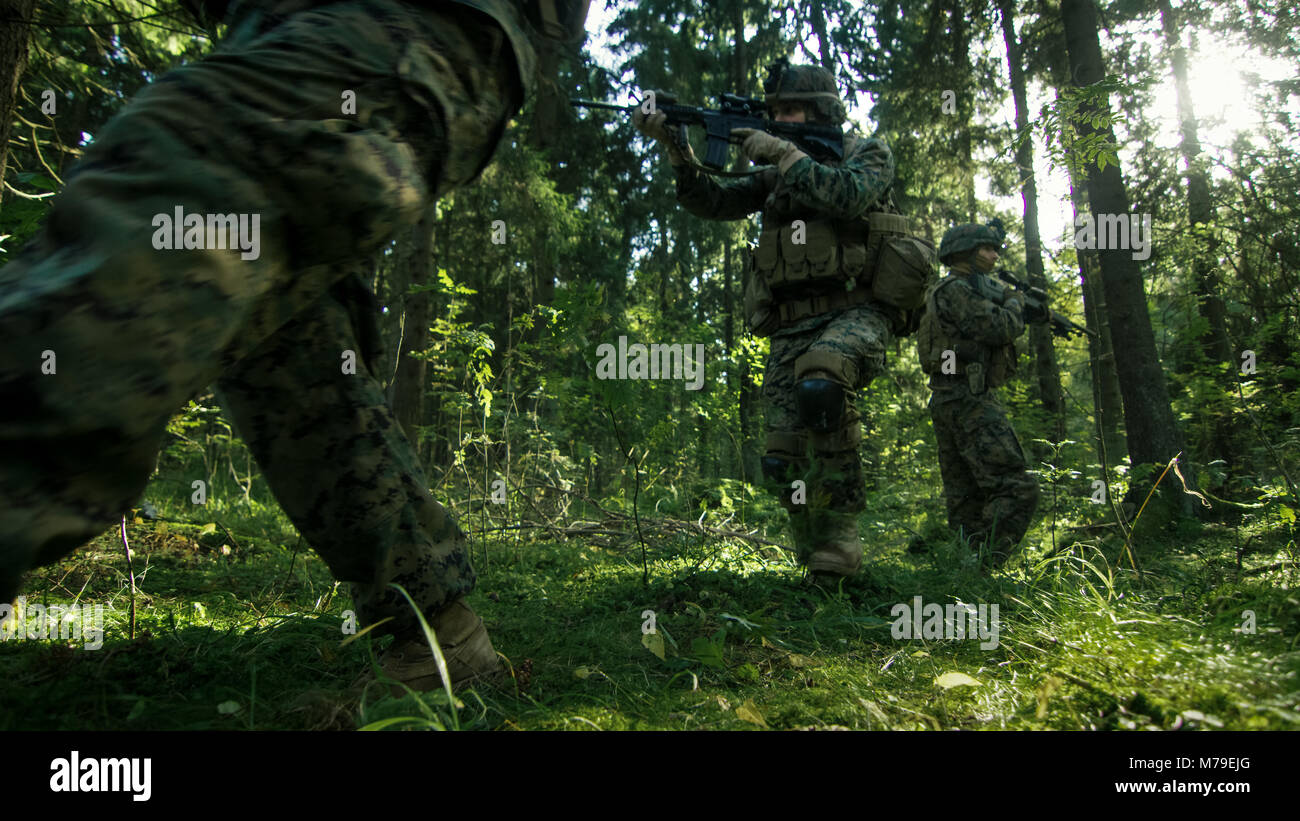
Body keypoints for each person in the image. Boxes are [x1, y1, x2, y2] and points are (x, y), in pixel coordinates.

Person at [0, 0, 590, 691]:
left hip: (402, 25)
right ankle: (439, 638)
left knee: (179, 172)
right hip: (328, 33)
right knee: (295, 354)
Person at [634, 62, 906, 582]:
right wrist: (676, 149)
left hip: (857, 309)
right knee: (783, 454)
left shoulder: (865, 153)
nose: (779, 118)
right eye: (774, 111)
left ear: (822, 111)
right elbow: (711, 201)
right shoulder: (773, 175)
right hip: (791, 323)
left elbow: (847, 195)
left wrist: (782, 152)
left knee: (821, 382)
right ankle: (816, 557)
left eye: (790, 110)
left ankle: (842, 540)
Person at [915, 220, 1040, 567]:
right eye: (986, 248)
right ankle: (988, 562)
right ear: (965, 254)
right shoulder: (955, 290)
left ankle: (969, 574)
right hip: (969, 399)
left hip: (949, 398)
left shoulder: (949, 291)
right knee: (1017, 488)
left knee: (966, 498)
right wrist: (1016, 303)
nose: (994, 254)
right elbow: (999, 327)